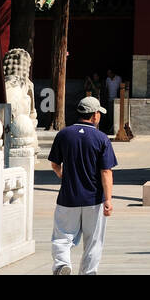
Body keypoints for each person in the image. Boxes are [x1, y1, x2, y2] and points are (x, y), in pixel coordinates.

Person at [48, 96, 117, 275]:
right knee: (93, 242)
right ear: (95, 115)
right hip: (94, 199)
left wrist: (63, 176)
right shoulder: (101, 138)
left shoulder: (63, 134)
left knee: (62, 237)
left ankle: (62, 264)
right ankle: (88, 272)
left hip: (67, 197)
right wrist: (108, 199)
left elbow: (55, 164)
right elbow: (106, 171)